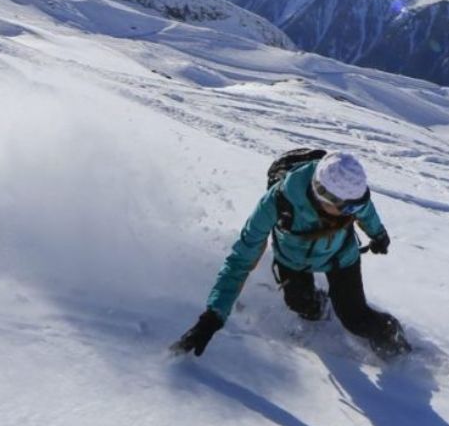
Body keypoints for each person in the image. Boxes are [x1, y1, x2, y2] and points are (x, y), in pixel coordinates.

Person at [174, 150, 410, 359]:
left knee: (355, 319)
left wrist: (378, 234)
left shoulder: (350, 198)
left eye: (357, 206)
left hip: (340, 257)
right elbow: (240, 261)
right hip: (292, 261)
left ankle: (398, 349)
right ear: (322, 195)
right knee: (303, 306)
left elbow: (365, 210)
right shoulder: (276, 204)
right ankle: (323, 310)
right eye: (349, 209)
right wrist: (212, 316)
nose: (354, 213)